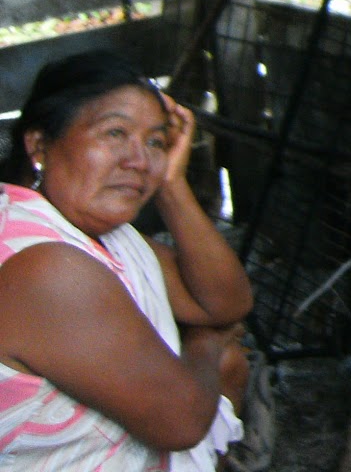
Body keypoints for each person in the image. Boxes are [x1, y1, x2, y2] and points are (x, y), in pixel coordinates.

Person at [0, 50, 254, 471]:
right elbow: (181, 420)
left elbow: (224, 302)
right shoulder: (45, 266)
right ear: (39, 144)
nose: (138, 161)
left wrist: (171, 185)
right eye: (115, 133)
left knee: (229, 365)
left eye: (155, 142)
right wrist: (205, 342)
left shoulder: (98, 236)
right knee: (219, 365)